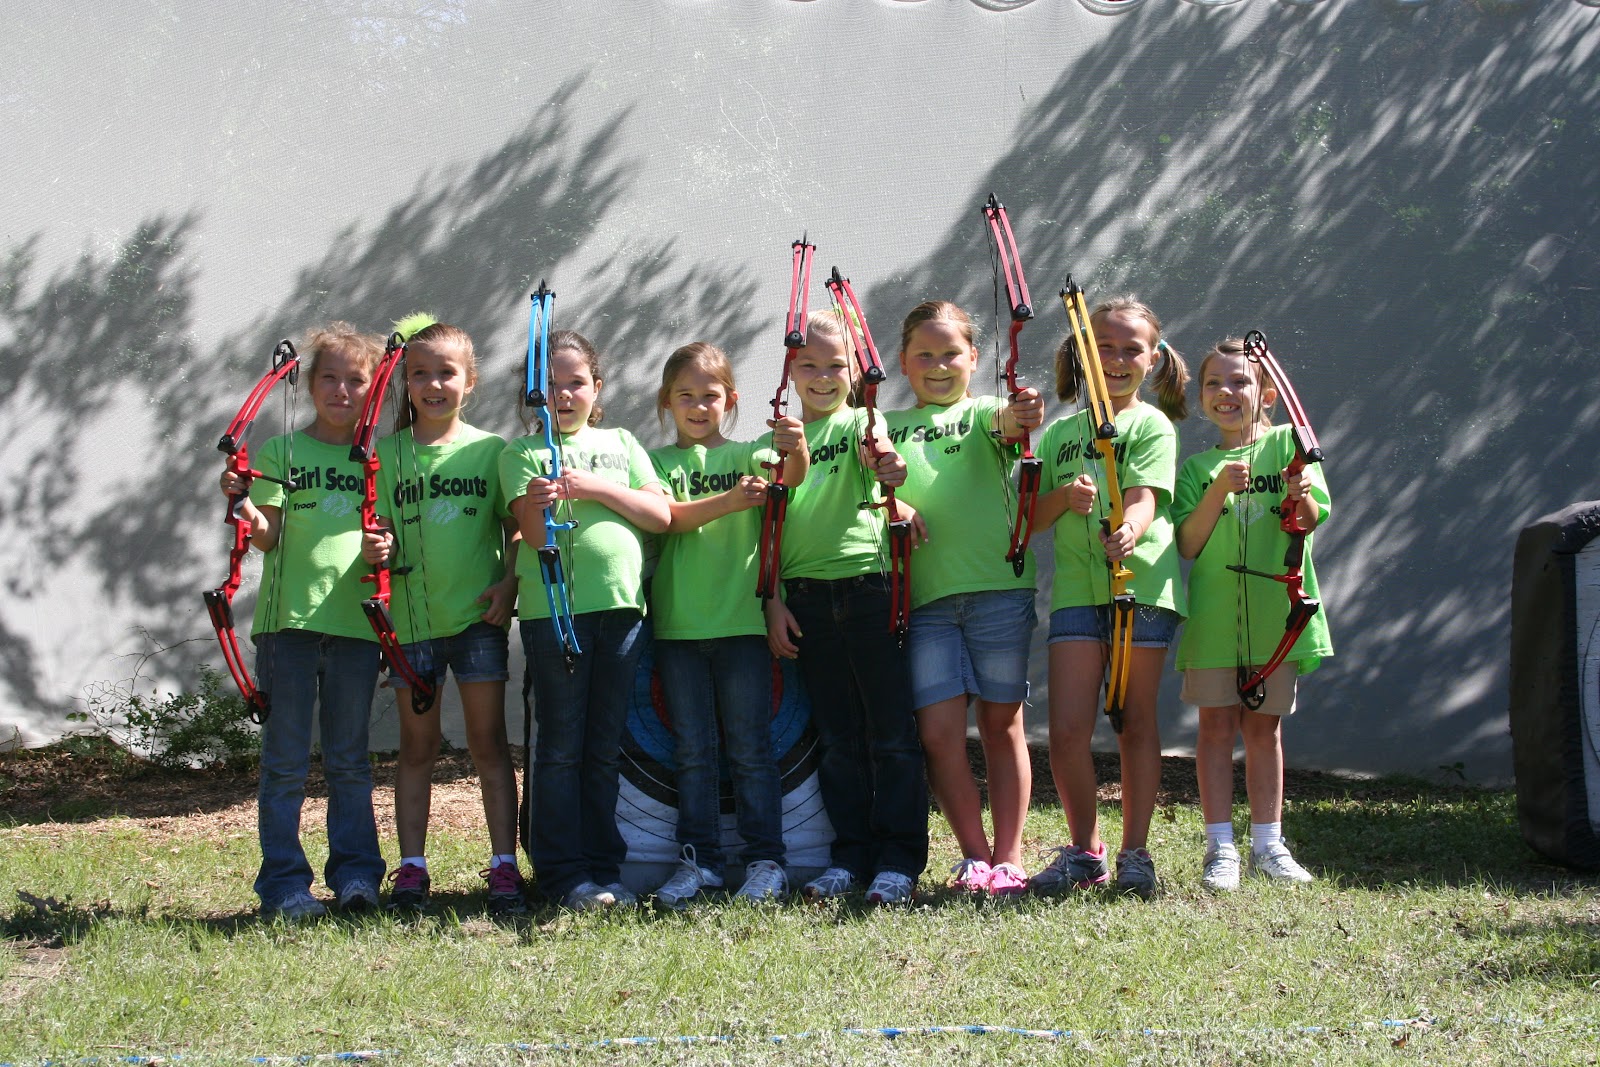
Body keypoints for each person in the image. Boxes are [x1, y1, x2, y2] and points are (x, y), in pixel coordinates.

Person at [219, 322, 388, 921]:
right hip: (287, 627)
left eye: (356, 381)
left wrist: (383, 551)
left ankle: (358, 876)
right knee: (286, 760)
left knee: (348, 760)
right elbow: (267, 535)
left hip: (358, 628)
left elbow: (387, 537)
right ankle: (285, 884)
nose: (342, 391)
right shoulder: (281, 453)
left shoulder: (382, 459)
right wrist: (242, 503)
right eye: (330, 379)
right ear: (310, 384)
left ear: (374, 389)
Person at [500, 329, 672, 911]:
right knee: (561, 747)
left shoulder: (622, 442)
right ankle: (561, 872)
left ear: (596, 388)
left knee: (603, 746)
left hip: (621, 612)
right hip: (556, 617)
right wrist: (537, 499)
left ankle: (603, 867)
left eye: (575, 382)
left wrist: (595, 487)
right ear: (533, 395)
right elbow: (527, 529)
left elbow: (660, 514)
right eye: (549, 386)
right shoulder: (520, 455)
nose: (563, 394)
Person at [765, 308, 929, 906]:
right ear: (788, 368)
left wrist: (893, 468)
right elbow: (769, 533)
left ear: (857, 371)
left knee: (890, 733)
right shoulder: (774, 440)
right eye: (807, 364)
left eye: (837, 364)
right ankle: (851, 857)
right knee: (836, 738)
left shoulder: (864, 420)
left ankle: (898, 860)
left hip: (868, 591)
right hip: (805, 599)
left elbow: (886, 460)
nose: (823, 376)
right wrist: (773, 601)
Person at [359, 315, 523, 914]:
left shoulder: (489, 451)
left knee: (488, 744)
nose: (433, 385)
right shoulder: (384, 454)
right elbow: (375, 534)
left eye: (446, 373)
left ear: (470, 381)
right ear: (405, 382)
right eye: (420, 374)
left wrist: (509, 584)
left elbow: (518, 531)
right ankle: (412, 867)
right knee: (416, 748)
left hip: (478, 622)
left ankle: (504, 865)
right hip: (411, 628)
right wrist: (377, 548)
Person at [1029, 297, 1190, 900]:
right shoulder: (1063, 432)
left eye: (1131, 349)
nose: (1117, 359)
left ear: (1153, 359)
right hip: (1076, 591)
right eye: (1104, 347)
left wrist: (1133, 529)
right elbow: (1037, 517)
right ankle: (1084, 851)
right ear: (1083, 352)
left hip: (1140, 589)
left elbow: (1147, 498)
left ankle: (1135, 854)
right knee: (1068, 729)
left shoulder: (1152, 425)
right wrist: (1063, 501)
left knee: (1133, 721)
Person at [882, 301, 1043, 897]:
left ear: (975, 358)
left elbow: (1012, 421)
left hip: (1000, 593)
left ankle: (1011, 858)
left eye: (951, 352)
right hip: (925, 602)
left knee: (1002, 725)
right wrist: (892, 502)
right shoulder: (886, 426)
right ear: (902, 362)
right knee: (939, 735)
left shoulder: (983, 415)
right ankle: (974, 858)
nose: (938, 364)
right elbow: (868, 487)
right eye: (924, 355)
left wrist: (1024, 411)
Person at [645, 341, 809, 908]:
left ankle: (767, 861)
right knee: (692, 750)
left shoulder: (750, 454)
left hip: (743, 625)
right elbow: (667, 520)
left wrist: (796, 441)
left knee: (750, 748)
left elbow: (790, 472)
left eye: (710, 395)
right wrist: (732, 501)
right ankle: (701, 863)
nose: (697, 405)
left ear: (731, 400)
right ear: (666, 402)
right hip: (678, 629)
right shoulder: (656, 463)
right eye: (684, 396)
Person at [1173, 337, 1332, 891]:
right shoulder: (1197, 467)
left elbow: (1309, 521)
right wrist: (1218, 487)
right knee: (1215, 729)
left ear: (1267, 394)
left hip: (1274, 620)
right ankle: (1221, 847)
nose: (1226, 393)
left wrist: (1299, 491)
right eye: (1213, 383)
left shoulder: (1291, 444)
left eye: (1241, 382)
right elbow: (1188, 545)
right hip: (1216, 619)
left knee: (1263, 730)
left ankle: (1268, 843)